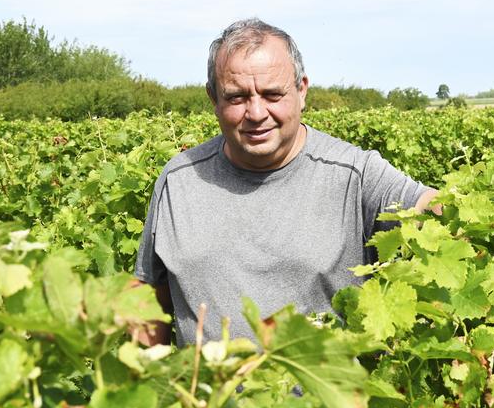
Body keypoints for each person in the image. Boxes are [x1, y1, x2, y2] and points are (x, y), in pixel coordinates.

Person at [135, 18, 437, 345]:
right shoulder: (179, 180)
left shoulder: (355, 174)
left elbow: (434, 210)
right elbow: (151, 296)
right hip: (205, 381)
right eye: (237, 97)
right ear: (213, 99)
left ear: (301, 90)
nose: (256, 113)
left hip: (318, 379)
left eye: (272, 94)